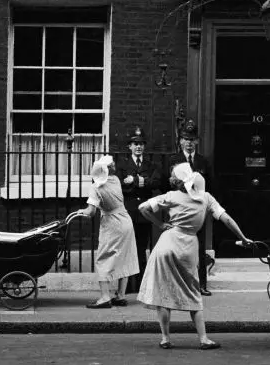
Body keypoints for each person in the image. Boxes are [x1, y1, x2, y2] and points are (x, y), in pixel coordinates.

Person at [137, 162, 253, 350]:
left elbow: (143, 208)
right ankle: (203, 338)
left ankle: (165, 338)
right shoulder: (206, 198)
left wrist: (159, 224)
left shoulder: (171, 196)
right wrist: (243, 238)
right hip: (188, 246)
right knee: (193, 291)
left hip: (167, 243)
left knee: (162, 293)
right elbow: (226, 219)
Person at [74, 155, 139, 308]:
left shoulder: (95, 188)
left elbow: (90, 212)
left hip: (112, 223)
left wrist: (80, 211)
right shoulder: (115, 180)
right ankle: (121, 296)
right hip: (126, 220)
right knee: (125, 256)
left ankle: (104, 297)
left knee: (103, 258)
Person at [169, 118, 213, 296]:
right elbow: (168, 186)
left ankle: (201, 284)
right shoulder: (174, 160)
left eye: (192, 140)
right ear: (180, 141)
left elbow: (211, 185)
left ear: (197, 141)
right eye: (186, 139)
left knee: (200, 247)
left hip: (198, 211)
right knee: (179, 248)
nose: (189, 143)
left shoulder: (203, 162)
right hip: (180, 211)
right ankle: (179, 284)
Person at [115, 126, 161, 293]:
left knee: (142, 249)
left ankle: (140, 285)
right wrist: (142, 182)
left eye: (141, 143)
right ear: (129, 147)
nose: (139, 147)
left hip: (144, 213)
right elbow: (120, 185)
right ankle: (125, 288)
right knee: (126, 249)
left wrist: (134, 180)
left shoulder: (151, 164)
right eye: (135, 144)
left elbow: (156, 182)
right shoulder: (122, 164)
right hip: (128, 212)